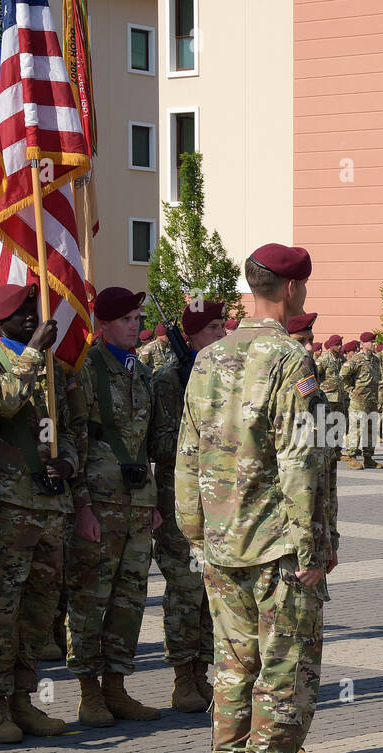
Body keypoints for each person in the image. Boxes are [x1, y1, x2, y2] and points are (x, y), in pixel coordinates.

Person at [177, 242, 338, 753]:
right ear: (293, 289)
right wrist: (314, 543)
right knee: (285, 666)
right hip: (276, 544)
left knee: (233, 665)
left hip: (221, 543)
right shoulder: (291, 359)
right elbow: (302, 462)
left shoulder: (209, 357)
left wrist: (195, 529)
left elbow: (186, 452)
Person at [0, 282, 77, 743]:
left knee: (40, 609)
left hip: (49, 503)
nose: (31, 316)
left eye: (33, 309)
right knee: (1, 608)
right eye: (19, 311)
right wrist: (31, 351)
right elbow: (3, 403)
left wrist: (67, 459)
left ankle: (24, 699)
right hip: (5, 505)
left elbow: (62, 426)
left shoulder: (52, 365)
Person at [63, 286, 164, 726]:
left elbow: (144, 442)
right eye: (126, 319)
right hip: (100, 502)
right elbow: (76, 440)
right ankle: (88, 691)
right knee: (91, 598)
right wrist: (82, 507)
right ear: (103, 324)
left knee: (130, 599)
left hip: (137, 502)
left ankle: (117, 686)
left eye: (138, 318)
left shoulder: (140, 372)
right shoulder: (86, 370)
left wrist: (153, 499)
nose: (135, 325)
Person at [151, 298, 226, 715]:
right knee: (185, 590)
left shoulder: (225, 375)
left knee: (211, 594)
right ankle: (183, 678)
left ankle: (205, 673)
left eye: (223, 326)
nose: (221, 334)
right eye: (213, 327)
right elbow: (160, 445)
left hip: (220, 501)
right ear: (191, 335)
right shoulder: (169, 380)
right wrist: (202, 429)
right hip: (180, 498)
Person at [340, 330, 382, 468]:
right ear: (364, 344)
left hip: (372, 399)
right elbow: (343, 376)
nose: (375, 344)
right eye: (372, 342)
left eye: (375, 341)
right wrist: (350, 390)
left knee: (371, 428)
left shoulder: (375, 360)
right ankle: (352, 457)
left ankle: (368, 457)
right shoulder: (356, 360)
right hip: (359, 400)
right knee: (356, 428)